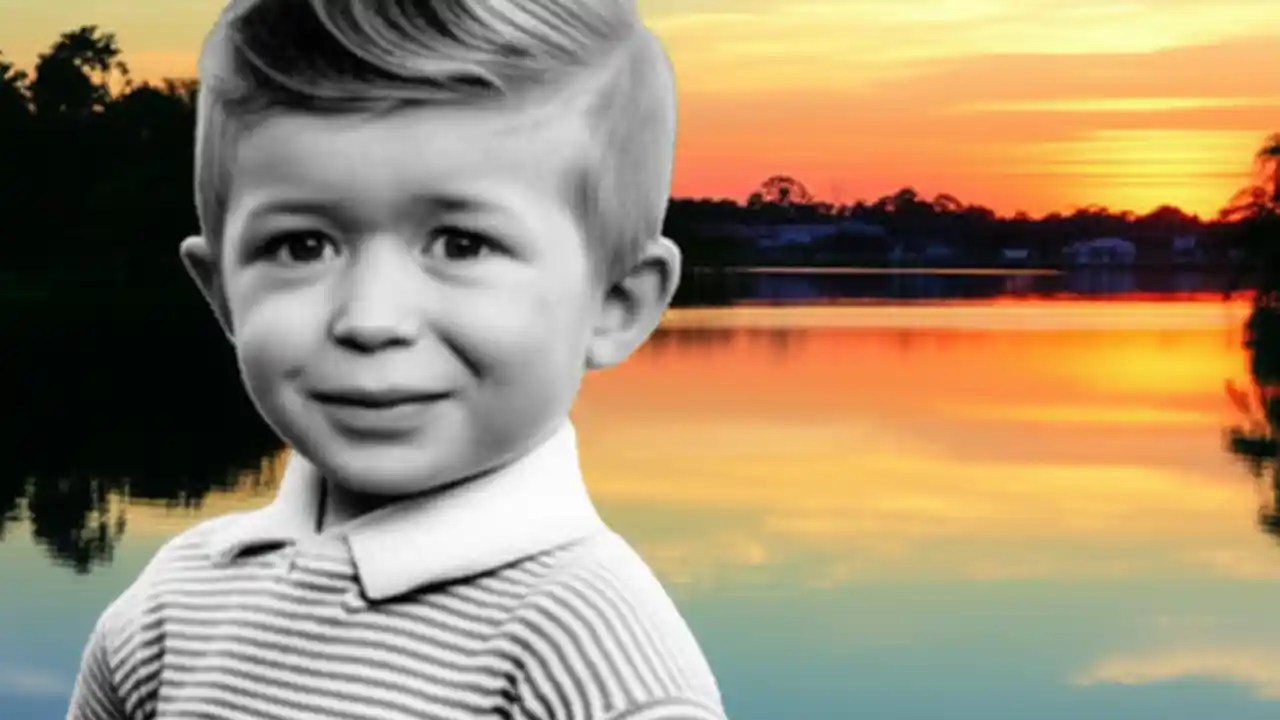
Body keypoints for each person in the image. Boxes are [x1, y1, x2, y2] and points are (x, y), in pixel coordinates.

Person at [67, 0, 726, 718]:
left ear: (616, 302)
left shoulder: (594, 657)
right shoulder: (170, 607)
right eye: (302, 246)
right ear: (221, 292)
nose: (370, 319)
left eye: (460, 244)